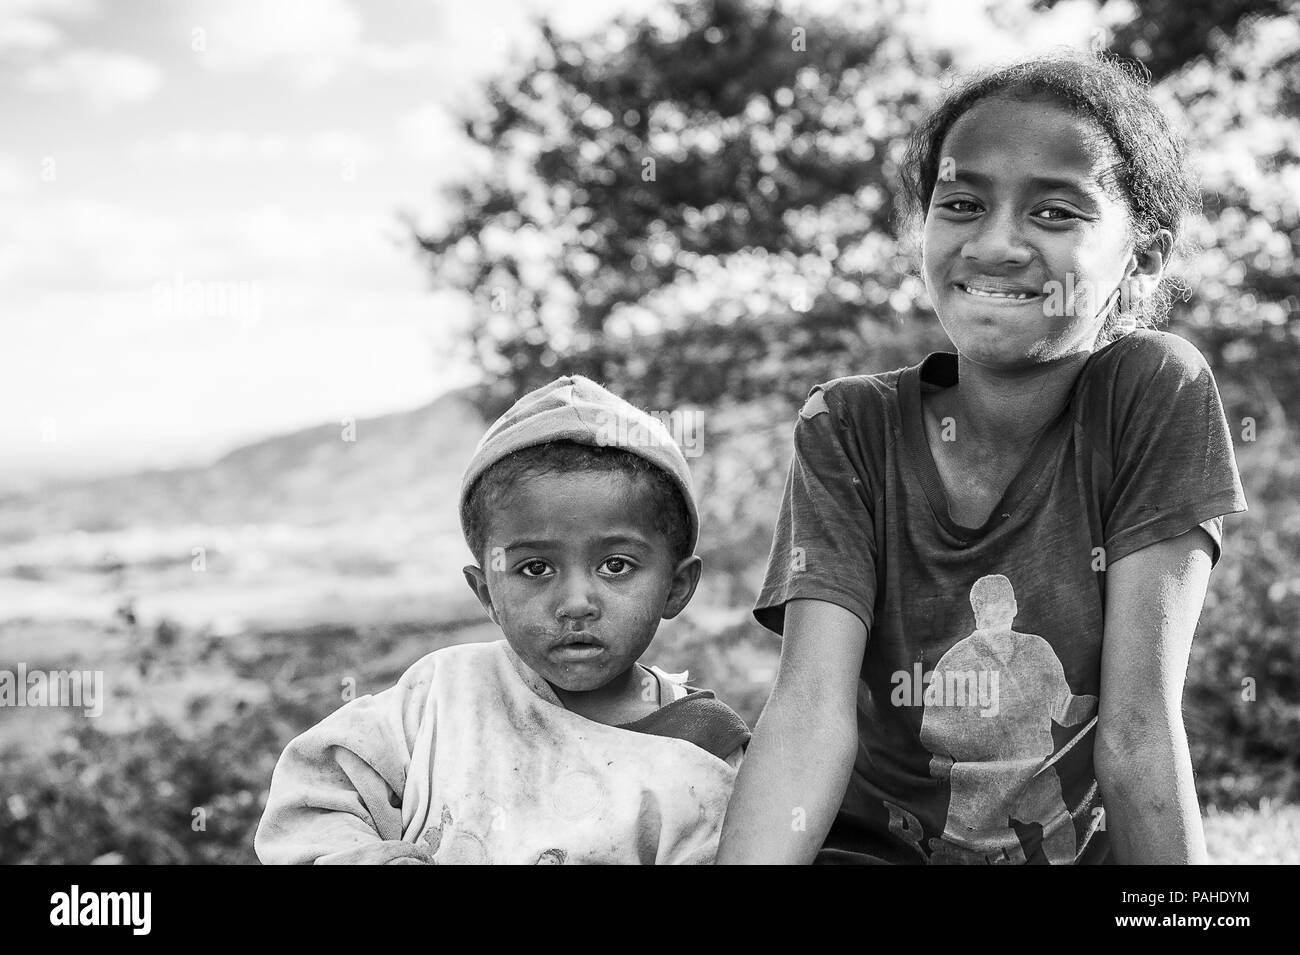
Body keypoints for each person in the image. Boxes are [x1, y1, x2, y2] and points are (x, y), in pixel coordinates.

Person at [717, 52, 1248, 865]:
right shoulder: (849, 424)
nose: (996, 244)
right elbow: (809, 714)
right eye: (961, 203)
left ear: (1142, 254)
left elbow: (1137, 730)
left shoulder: (1150, 393)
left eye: (1056, 212)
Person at [255, 375, 749, 864]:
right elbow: (312, 798)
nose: (576, 602)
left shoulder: (705, 748)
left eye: (615, 565)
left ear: (677, 587)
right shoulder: (435, 699)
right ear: (486, 592)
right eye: (535, 568)